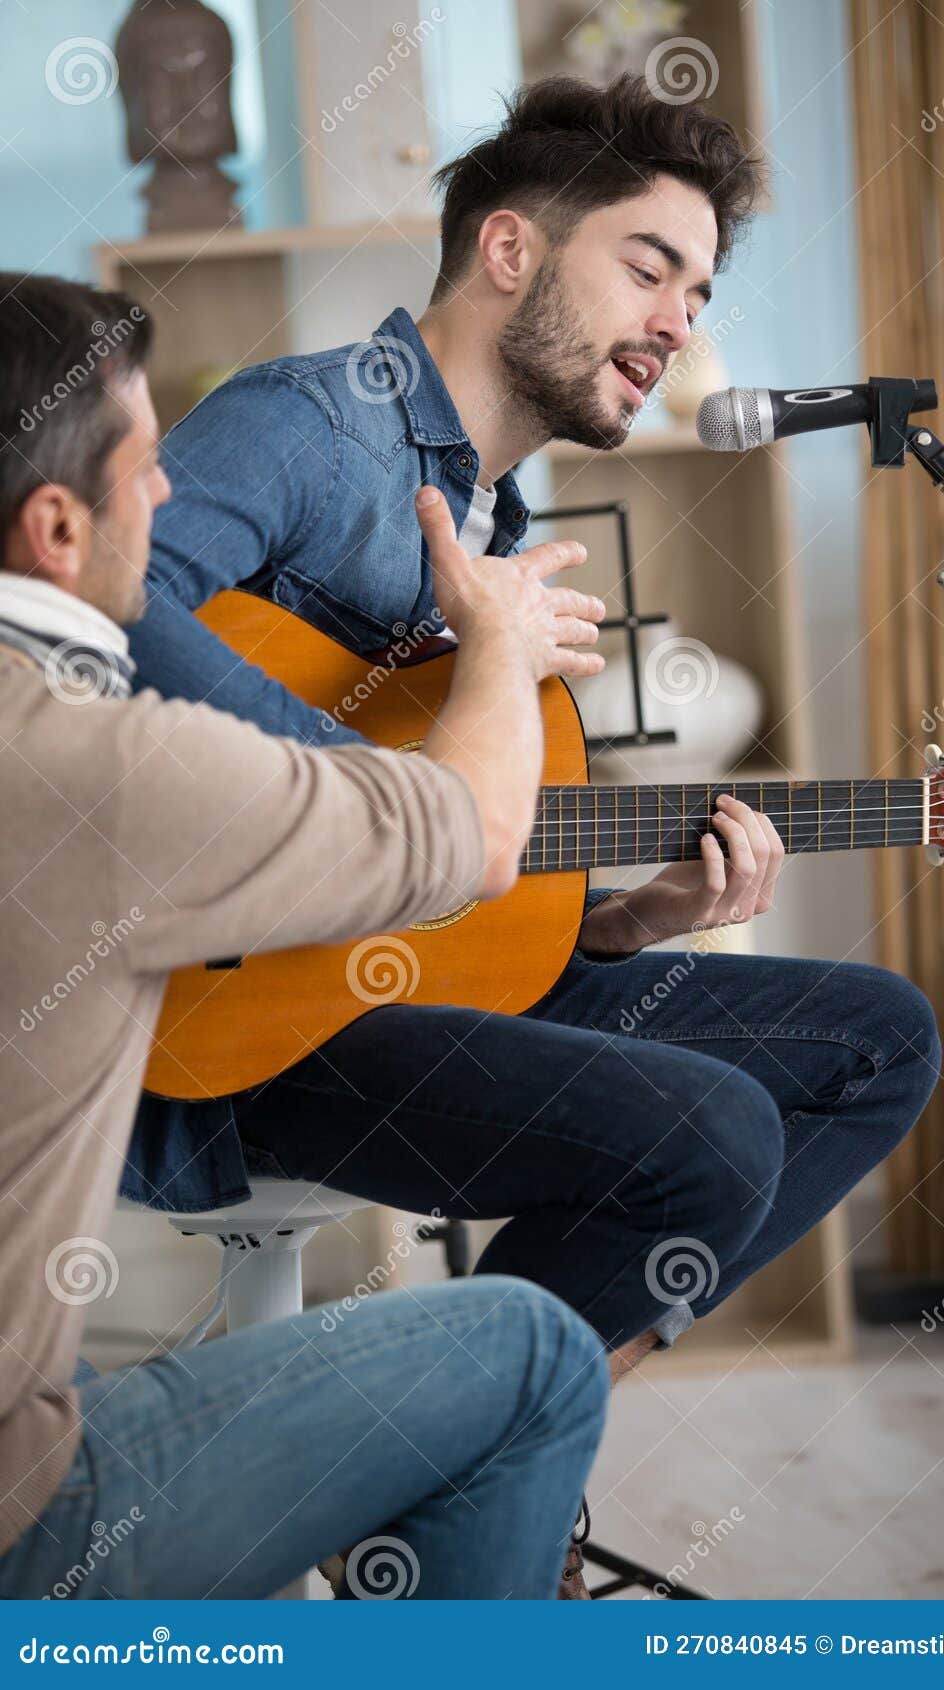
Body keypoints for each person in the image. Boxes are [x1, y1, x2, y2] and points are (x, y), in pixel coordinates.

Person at [122, 73, 942, 1595]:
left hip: (413, 976)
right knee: (705, 1132)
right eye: (646, 266)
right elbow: (99, 619)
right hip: (242, 1023)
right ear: (507, 251)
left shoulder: (500, 519)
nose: (679, 318)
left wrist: (621, 923)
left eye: (697, 290)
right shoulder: (309, 427)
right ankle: (460, 1493)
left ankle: (481, 1466)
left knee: (878, 1037)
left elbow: (481, 867)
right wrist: (404, 808)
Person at [0, 273, 609, 1600]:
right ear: (55, 526)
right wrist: (496, 646)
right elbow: (468, 832)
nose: (167, 501)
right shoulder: (97, 764)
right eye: (147, 470)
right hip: (19, 1528)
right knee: (534, 1352)